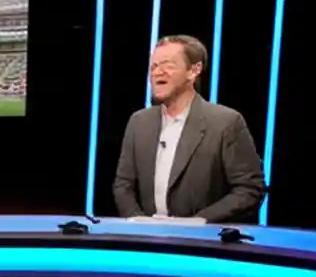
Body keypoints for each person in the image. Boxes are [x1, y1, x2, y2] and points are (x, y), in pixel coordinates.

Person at [112, 34, 266, 224]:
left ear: (194, 70)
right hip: (146, 237)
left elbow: (249, 189)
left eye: (168, 65)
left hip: (202, 238)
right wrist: (139, 223)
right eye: (154, 66)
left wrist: (197, 222)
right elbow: (123, 185)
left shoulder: (225, 122)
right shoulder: (139, 122)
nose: (157, 72)